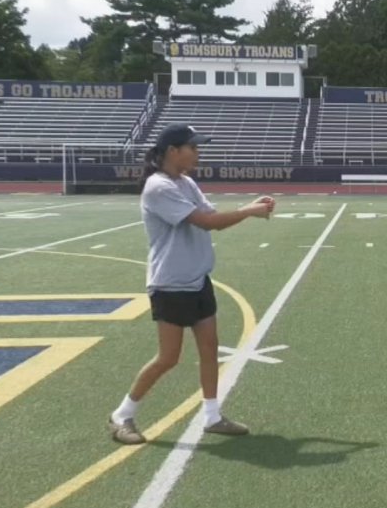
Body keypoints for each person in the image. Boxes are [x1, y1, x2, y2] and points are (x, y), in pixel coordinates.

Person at [108, 124, 275, 445]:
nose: (198, 152)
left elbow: (213, 216)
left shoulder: (185, 182)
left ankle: (212, 416)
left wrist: (249, 207)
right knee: (168, 358)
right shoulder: (158, 187)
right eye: (193, 147)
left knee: (210, 348)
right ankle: (122, 414)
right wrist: (249, 212)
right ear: (173, 151)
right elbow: (207, 222)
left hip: (197, 279)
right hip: (171, 283)